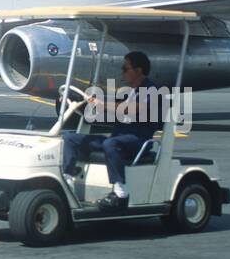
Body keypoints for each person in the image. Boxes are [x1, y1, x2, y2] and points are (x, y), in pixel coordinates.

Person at [60, 51, 160, 210]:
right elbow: (114, 111)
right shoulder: (130, 91)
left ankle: (121, 193)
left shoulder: (151, 90)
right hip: (119, 138)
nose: (122, 72)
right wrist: (81, 102)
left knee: (110, 144)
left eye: (125, 68)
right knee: (71, 138)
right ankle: (67, 180)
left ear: (138, 70)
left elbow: (135, 109)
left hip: (138, 140)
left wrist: (103, 104)